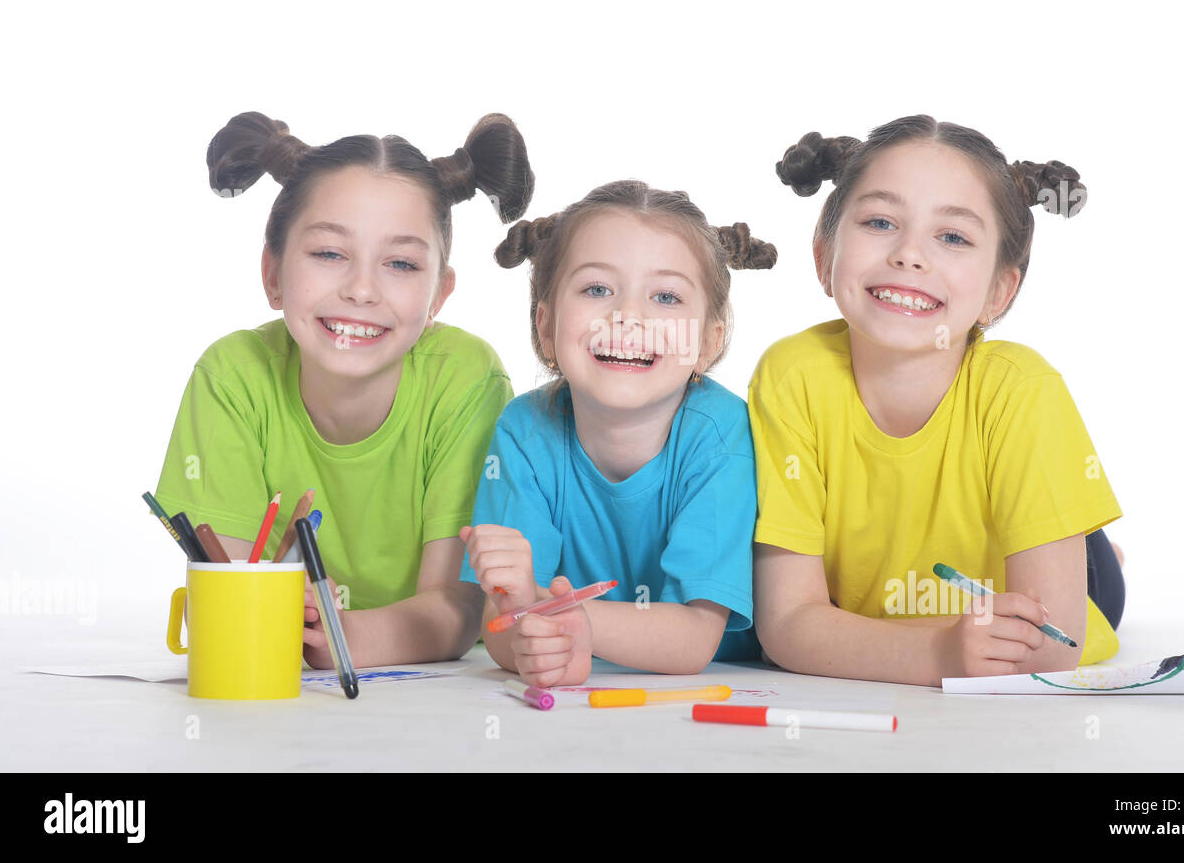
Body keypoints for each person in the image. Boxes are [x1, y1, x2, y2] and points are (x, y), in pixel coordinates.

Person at [751, 115, 1126, 685]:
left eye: (952, 237)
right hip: (924, 605)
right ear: (825, 255)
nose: (909, 254)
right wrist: (940, 655)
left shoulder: (1022, 389)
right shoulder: (790, 376)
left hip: (1038, 577)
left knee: (1099, 575)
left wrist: (879, 644)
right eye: (880, 221)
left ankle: (1097, 549)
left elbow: (1054, 646)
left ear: (1000, 291)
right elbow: (786, 625)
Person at [155, 110, 534, 667]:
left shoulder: (466, 378)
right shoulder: (231, 376)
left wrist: (344, 637)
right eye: (329, 254)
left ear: (439, 296)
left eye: (401, 263)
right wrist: (280, 619)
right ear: (273, 274)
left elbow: (456, 606)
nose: (361, 289)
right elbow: (221, 596)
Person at [459, 180, 775, 686]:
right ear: (545, 326)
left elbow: (694, 639)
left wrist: (557, 617)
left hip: (720, 682)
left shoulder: (718, 435)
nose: (628, 317)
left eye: (666, 296)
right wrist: (525, 619)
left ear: (709, 342)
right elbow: (499, 633)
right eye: (597, 290)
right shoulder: (523, 430)